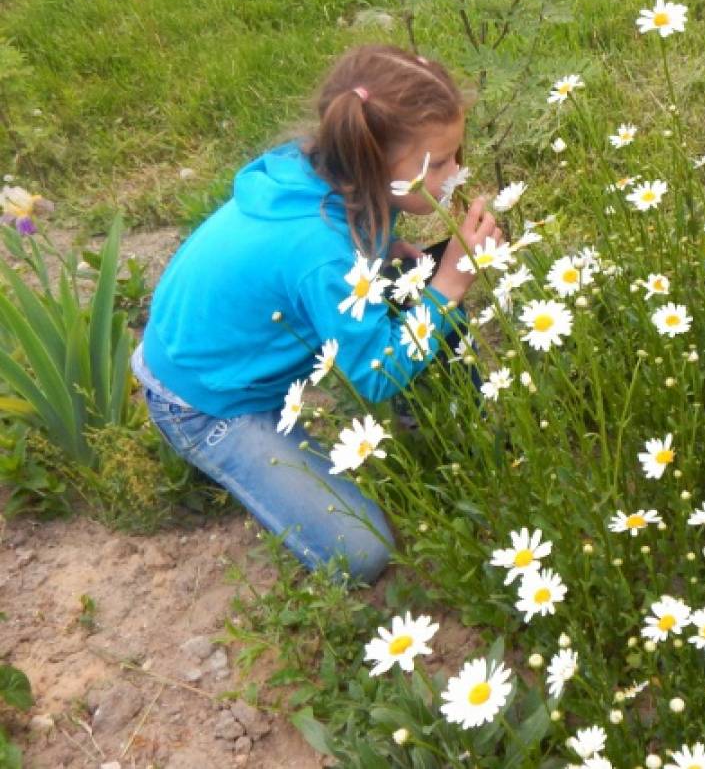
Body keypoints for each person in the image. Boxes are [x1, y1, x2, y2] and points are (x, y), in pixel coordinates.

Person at [132, 45, 500, 583]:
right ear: (372, 159)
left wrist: (389, 248)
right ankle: (234, 463)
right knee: (362, 554)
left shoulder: (323, 172)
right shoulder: (321, 252)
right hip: (205, 401)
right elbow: (374, 376)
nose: (456, 172)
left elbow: (333, 252)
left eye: (456, 154)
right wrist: (447, 285)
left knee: (419, 292)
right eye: (439, 162)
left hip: (224, 344)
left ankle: (451, 440)